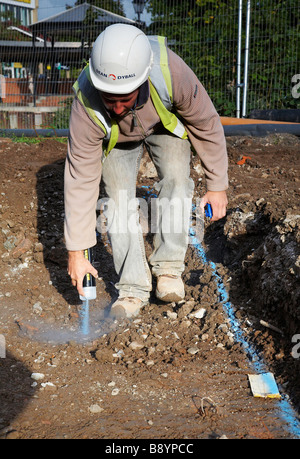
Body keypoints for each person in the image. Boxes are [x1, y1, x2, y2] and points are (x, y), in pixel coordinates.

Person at [64, 23, 228, 319]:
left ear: (141, 82)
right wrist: (76, 252)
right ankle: (132, 287)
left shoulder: (171, 73)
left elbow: (205, 123)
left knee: (178, 179)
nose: (115, 108)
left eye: (123, 98)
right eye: (108, 98)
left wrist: (216, 185)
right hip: (115, 138)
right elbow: (80, 178)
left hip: (164, 123)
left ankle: (168, 270)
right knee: (117, 196)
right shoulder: (85, 104)